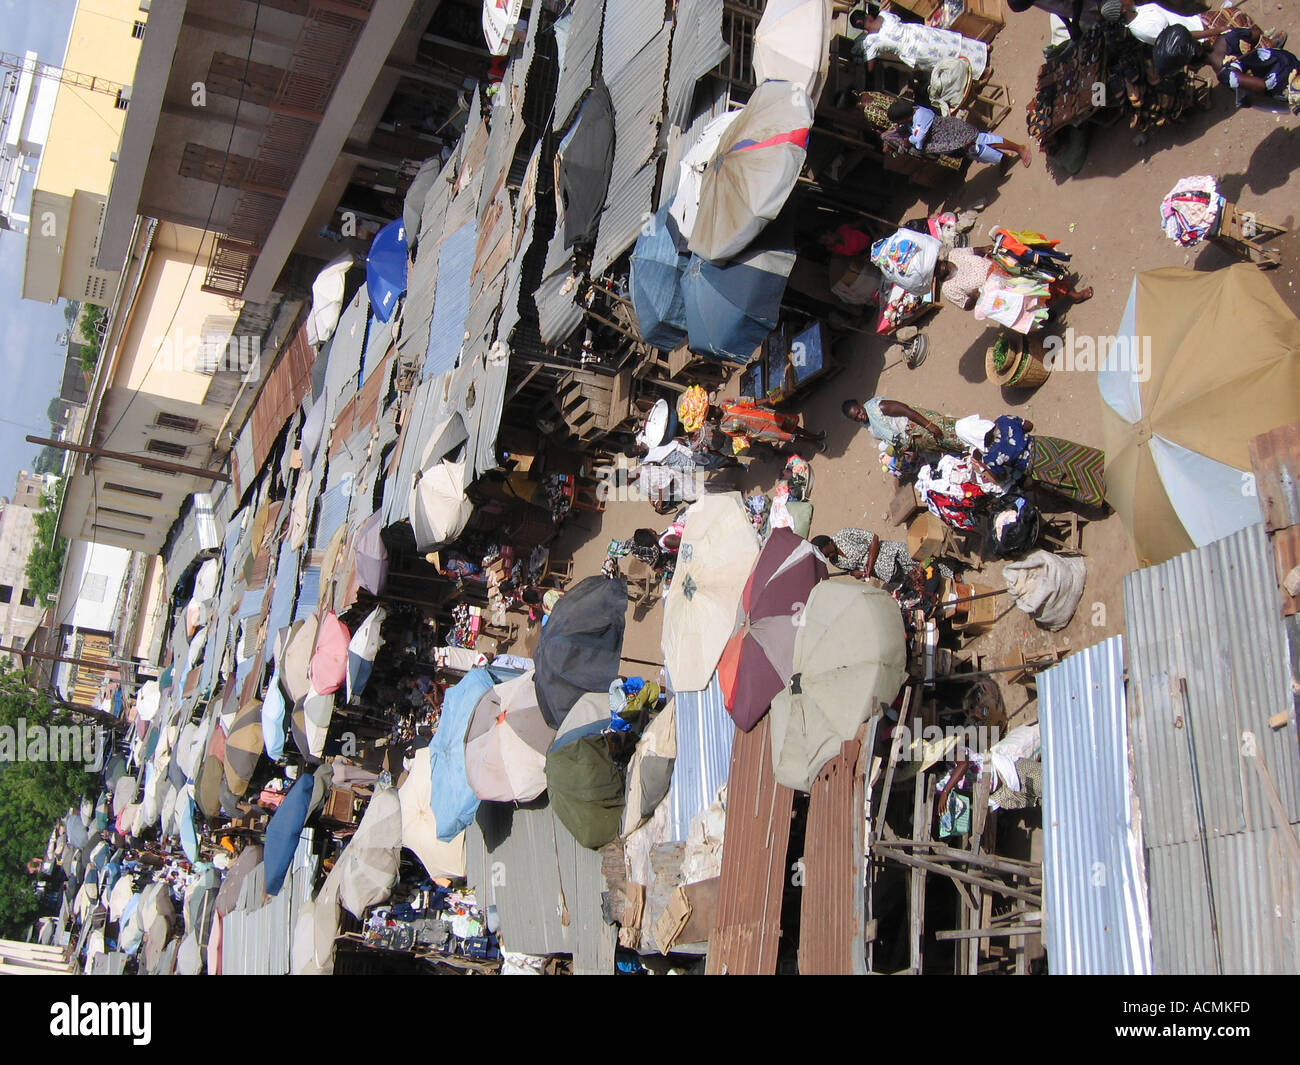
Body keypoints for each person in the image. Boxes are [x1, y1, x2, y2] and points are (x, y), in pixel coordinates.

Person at [975, 415, 1107, 508]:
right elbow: (1029, 425)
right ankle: (1110, 467)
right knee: (1078, 457)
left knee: (1071, 480)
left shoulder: (990, 458)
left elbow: (1002, 476)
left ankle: (1104, 498)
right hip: (1046, 446)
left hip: (1040, 467)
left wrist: (984, 469)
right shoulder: (1004, 421)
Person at [885, 100, 1031, 169]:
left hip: (955, 133)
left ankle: (1020, 148)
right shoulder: (912, 117)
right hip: (952, 140)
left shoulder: (921, 116)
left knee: (983, 140)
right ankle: (1003, 158)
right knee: (975, 152)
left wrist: (908, 140)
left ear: (903, 116)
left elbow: (919, 141)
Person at [851, 7, 989, 78]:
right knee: (951, 42)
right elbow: (897, 19)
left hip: (916, 50)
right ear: (866, 15)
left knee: (946, 61)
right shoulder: (884, 15)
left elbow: (870, 68)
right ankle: (983, 48)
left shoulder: (869, 42)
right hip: (921, 33)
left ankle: (981, 71)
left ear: (859, 24)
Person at [680, 391, 827, 455]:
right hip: (765, 431)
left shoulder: (726, 402)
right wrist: (746, 441)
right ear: (709, 418)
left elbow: (749, 402)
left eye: (711, 408)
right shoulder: (724, 427)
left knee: (796, 428)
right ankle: (814, 444)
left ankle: (815, 437)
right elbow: (743, 436)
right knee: (792, 437)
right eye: (710, 413)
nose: (713, 410)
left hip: (768, 416)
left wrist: (768, 400)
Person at [812, 529, 955, 583]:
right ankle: (946, 582)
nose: (830, 556)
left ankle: (954, 570)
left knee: (924, 560)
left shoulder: (844, 535)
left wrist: (870, 564)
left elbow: (873, 538)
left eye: (829, 552)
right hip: (886, 573)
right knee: (919, 577)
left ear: (829, 541)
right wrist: (857, 574)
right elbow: (851, 570)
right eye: (827, 556)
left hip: (890, 553)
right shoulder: (835, 561)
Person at [842, 397, 966, 455]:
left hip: (919, 426)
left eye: (858, 412)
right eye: (856, 418)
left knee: (954, 435)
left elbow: (907, 411)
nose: (860, 416)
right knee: (948, 446)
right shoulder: (866, 424)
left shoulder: (879, 408)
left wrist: (929, 425)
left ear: (859, 404)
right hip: (915, 439)